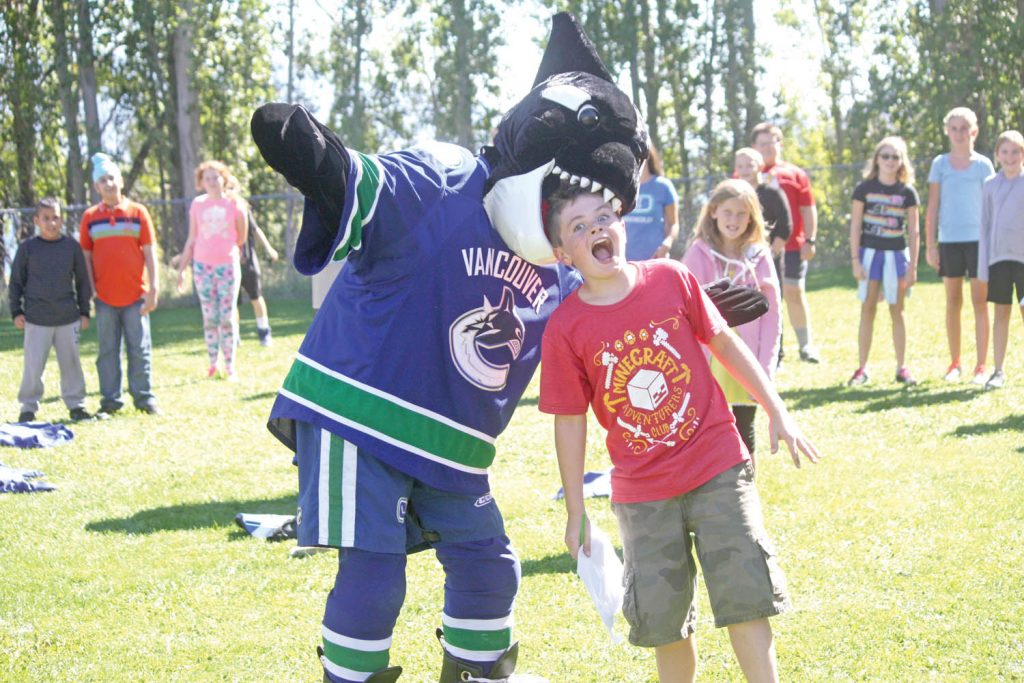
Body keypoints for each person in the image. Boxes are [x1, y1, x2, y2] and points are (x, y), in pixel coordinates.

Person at [539, 183, 819, 683]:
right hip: (643, 494)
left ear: (622, 225)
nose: (596, 228)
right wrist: (576, 508)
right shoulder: (565, 327)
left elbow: (726, 343)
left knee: (746, 602)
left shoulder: (671, 278)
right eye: (579, 227)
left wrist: (776, 409)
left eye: (603, 217)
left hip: (717, 466)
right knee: (666, 627)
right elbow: (570, 419)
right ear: (563, 254)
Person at [682, 179, 781, 456]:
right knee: (710, 433)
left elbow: (773, 316)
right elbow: (684, 310)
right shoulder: (697, 253)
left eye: (741, 213)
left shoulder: (759, 255)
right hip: (710, 357)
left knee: (744, 428)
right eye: (727, 212)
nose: (734, 220)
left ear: (751, 217)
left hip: (746, 356)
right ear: (713, 211)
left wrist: (766, 365)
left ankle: (746, 494)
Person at [79, 153, 160, 415]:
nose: (109, 183)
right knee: (107, 352)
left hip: (136, 296)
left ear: (121, 180)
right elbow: (86, 258)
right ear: (96, 187)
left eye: (112, 177)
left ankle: (144, 398)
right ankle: (110, 402)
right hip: (104, 298)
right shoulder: (90, 217)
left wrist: (154, 289)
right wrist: (90, 290)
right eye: (103, 180)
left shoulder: (138, 213)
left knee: (140, 350)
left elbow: (149, 253)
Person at [925, 107, 995, 383]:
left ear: (974, 131)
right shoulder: (939, 164)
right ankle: (955, 363)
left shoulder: (984, 165)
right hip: (949, 242)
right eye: (953, 128)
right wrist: (931, 245)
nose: (959, 133)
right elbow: (932, 207)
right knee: (953, 301)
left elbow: (992, 206)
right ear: (947, 132)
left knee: (980, 302)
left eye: (964, 128)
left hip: (979, 242)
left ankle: (982, 366)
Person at [9, 198, 93, 423]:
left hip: (68, 317)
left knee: (71, 364)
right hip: (36, 319)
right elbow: (16, 282)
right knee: (33, 367)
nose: (51, 222)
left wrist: (84, 311)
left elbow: (83, 282)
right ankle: (28, 408)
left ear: (62, 219)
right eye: (46, 218)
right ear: (37, 220)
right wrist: (16, 311)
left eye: (55, 217)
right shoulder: (27, 249)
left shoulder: (71, 247)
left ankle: (76, 405)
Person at [846, 136, 921, 387]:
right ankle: (861, 368)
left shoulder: (907, 192)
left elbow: (914, 232)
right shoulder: (864, 188)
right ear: (877, 159)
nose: (890, 161)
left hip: (897, 257)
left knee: (896, 311)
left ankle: (902, 367)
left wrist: (913, 266)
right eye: (885, 156)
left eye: (895, 157)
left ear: (902, 161)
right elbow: (856, 227)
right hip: (870, 256)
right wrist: (856, 261)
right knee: (868, 310)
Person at [751, 122, 821, 363]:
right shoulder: (745, 174)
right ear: (754, 146)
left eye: (773, 142)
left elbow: (808, 209)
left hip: (792, 248)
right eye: (763, 143)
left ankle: (806, 346)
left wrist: (810, 239)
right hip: (756, 251)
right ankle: (771, 352)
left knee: (794, 291)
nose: (768, 147)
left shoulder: (795, 174)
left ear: (780, 144)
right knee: (765, 300)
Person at [173, 161, 247, 379]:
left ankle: (230, 365)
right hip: (203, 267)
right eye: (208, 178)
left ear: (224, 178)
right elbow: (192, 238)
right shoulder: (197, 205)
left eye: (216, 177)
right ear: (201, 182)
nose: (213, 182)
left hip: (227, 267)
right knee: (209, 317)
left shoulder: (234, 204)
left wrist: (228, 251)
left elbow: (241, 236)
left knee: (226, 316)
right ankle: (213, 363)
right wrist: (182, 269)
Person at [734, 147, 791, 370]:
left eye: (749, 164)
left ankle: (777, 355)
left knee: (772, 305)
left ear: (759, 166)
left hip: (767, 260)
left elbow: (785, 226)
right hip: (739, 264)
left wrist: (767, 256)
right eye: (740, 165)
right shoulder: (735, 195)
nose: (745, 169)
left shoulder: (772, 193)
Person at [978, 130, 1024, 389]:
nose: (1010, 157)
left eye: (1015, 152)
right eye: (1005, 152)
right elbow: (984, 226)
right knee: (1001, 313)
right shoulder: (990, 185)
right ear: (997, 155)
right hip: (998, 261)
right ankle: (998, 370)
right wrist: (982, 267)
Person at [229, 174, 279, 346]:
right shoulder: (219, 210)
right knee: (231, 302)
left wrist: (269, 248)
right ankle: (234, 336)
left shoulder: (242, 208)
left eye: (231, 187)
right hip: (228, 262)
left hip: (247, 262)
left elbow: (256, 230)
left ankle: (264, 332)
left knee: (256, 297)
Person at [623, 145, 679, 260]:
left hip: (655, 260)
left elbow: (673, 224)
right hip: (625, 263)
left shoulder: (663, 186)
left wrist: (666, 244)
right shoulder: (621, 187)